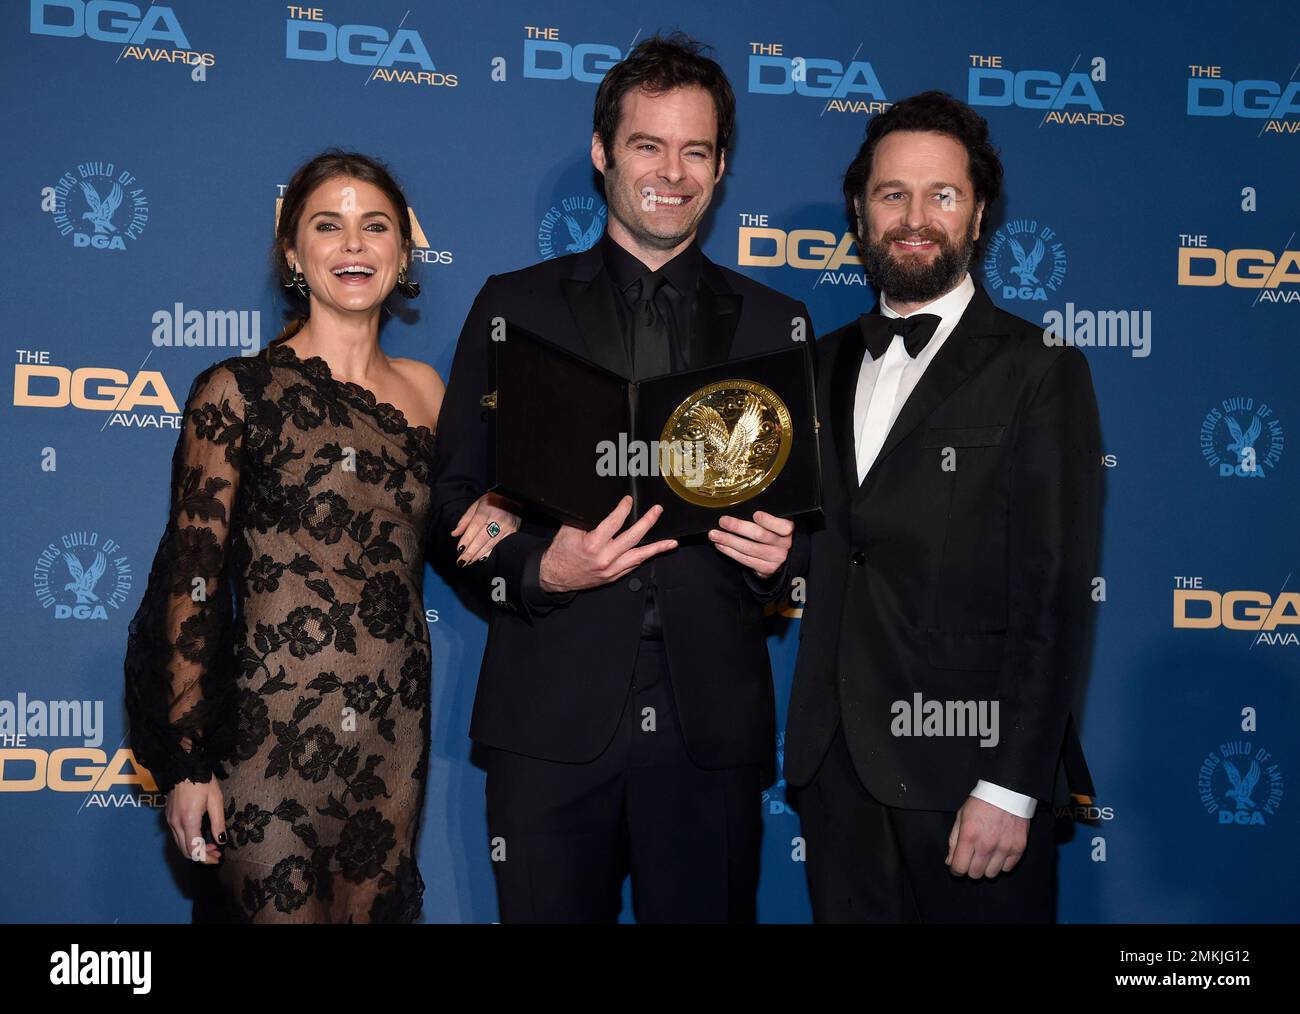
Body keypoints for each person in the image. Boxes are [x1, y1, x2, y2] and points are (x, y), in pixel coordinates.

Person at [431, 34, 811, 923]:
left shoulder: (776, 323)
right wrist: (537, 568)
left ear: (720, 168)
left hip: (710, 726)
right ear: (604, 154)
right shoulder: (512, 307)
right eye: (648, 144)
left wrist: (783, 561)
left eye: (696, 150)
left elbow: (817, 533)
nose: (672, 171)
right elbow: (451, 499)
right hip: (549, 718)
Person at [123, 150, 516, 923]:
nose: (353, 245)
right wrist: (189, 763)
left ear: (403, 254)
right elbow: (193, 577)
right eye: (327, 227)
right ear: (294, 255)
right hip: (264, 748)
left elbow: (456, 538)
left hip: (391, 740)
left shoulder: (431, 394)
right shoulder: (238, 390)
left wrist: (505, 509)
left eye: (375, 227)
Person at [784, 92, 1101, 923]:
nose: (915, 218)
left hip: (969, 779)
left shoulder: (1040, 369)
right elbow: (823, 547)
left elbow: (1055, 594)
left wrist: (1012, 784)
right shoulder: (816, 365)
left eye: (942, 195)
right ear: (860, 211)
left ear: (979, 212)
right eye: (893, 194)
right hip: (836, 774)